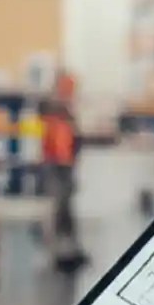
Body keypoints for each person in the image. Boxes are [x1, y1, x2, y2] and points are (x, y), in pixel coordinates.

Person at [42, 71, 89, 272]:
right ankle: (60, 254)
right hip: (57, 164)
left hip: (65, 164)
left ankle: (69, 250)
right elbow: (58, 141)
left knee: (66, 208)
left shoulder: (65, 110)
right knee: (60, 207)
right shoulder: (56, 109)